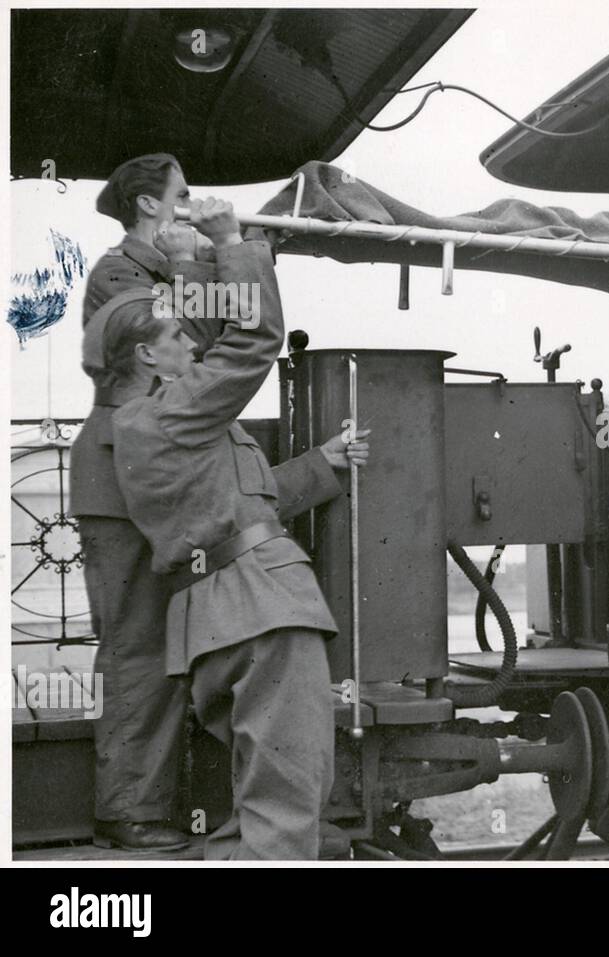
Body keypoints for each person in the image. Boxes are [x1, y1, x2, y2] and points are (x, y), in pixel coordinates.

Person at [87, 197, 369, 859]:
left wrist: (322, 464)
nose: (192, 341)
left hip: (220, 617)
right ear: (150, 361)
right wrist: (235, 243)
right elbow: (252, 343)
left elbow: (242, 493)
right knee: (286, 811)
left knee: (259, 811)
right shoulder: (173, 414)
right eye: (177, 338)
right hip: (261, 610)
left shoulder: (148, 423)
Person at [71, 153, 229, 851]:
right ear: (147, 205)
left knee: (157, 643)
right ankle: (127, 809)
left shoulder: (159, 269)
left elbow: (214, 343)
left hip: (145, 472)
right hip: (120, 477)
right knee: (137, 646)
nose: (191, 205)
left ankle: (147, 801)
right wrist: (202, 263)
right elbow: (185, 342)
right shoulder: (118, 274)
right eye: (182, 195)